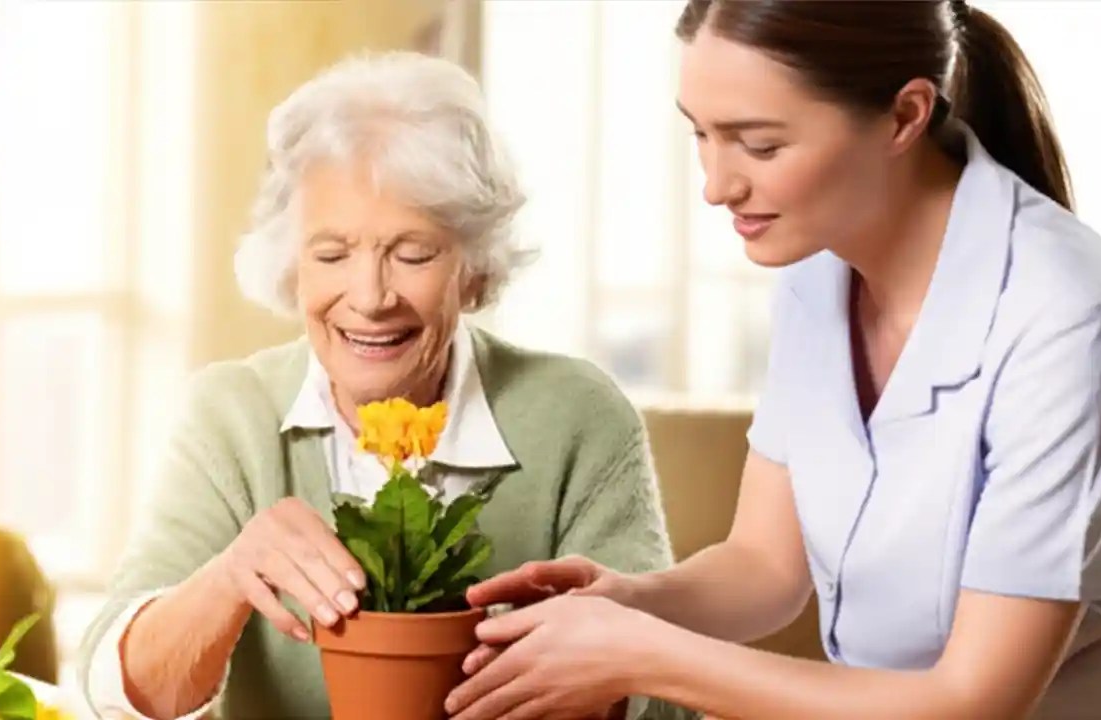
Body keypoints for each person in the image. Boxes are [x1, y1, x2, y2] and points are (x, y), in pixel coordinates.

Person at [447, 2, 1101, 719]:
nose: (716, 185)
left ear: (905, 116)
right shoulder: (819, 272)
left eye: (758, 145)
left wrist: (638, 653)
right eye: (701, 133)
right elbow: (765, 567)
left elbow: (969, 701)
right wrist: (630, 601)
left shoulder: (1070, 324)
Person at [76, 52, 683, 720]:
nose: (369, 298)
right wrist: (229, 578)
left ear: (475, 269)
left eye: (413, 253)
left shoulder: (577, 415)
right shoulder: (231, 414)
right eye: (331, 255)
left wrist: (581, 675)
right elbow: (119, 692)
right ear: (291, 265)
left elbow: (668, 694)